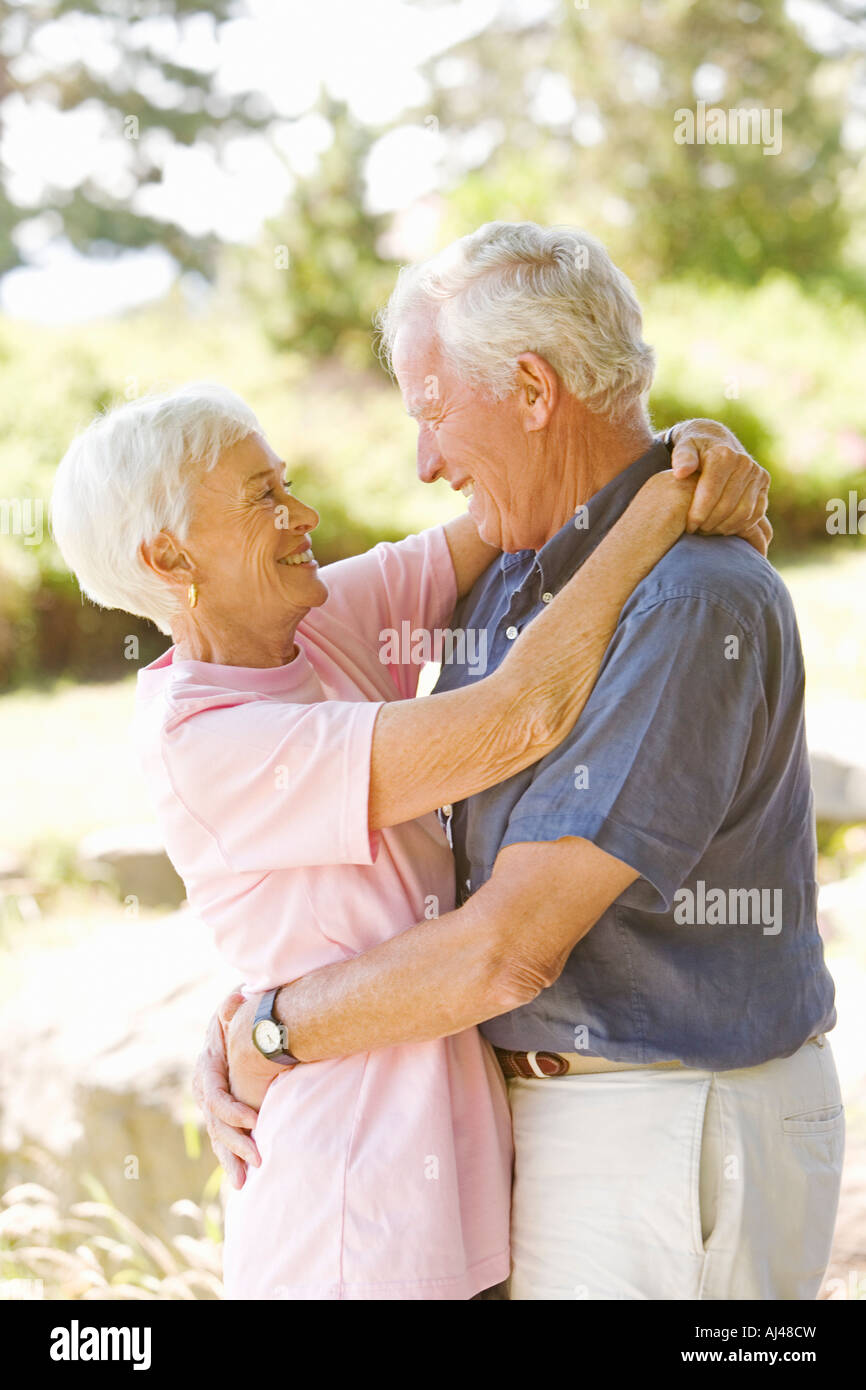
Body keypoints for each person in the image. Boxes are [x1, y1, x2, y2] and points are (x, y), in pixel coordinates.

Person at [202, 223, 841, 1302]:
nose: (423, 460)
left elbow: (506, 950)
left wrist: (276, 1032)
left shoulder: (689, 604)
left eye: (431, 408)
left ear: (534, 391)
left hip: (662, 1123)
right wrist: (245, 1014)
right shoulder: (506, 575)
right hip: (566, 1122)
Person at [51, 377, 766, 1299]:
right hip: (355, 1208)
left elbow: (533, 503)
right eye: (263, 496)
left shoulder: (316, 623)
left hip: (453, 1188)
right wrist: (667, 505)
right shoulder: (208, 740)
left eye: (286, 479)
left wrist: (685, 442)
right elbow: (519, 716)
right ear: (168, 556)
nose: (301, 512)